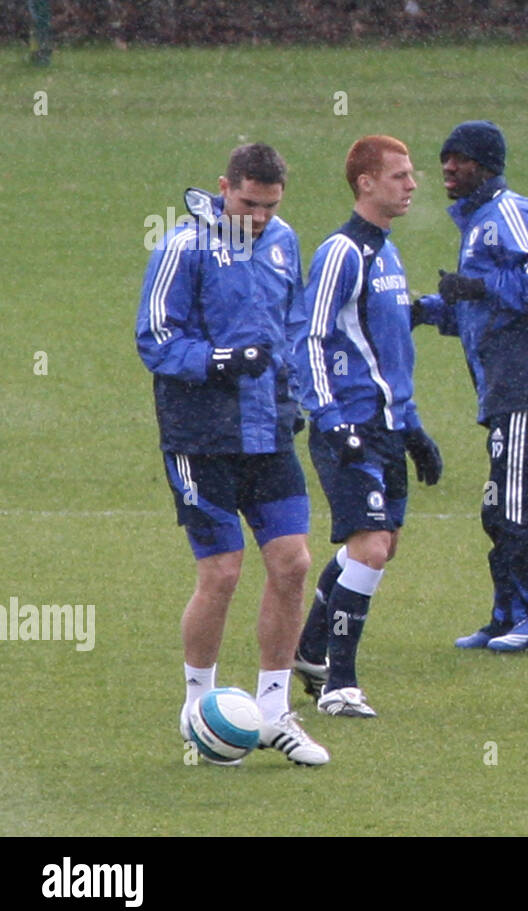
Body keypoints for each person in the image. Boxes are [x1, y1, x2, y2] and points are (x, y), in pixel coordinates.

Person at [136, 142, 329, 766]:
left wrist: (294, 391)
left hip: (268, 431)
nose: (260, 217)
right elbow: (156, 338)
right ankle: (199, 706)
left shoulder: (284, 241)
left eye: (270, 206)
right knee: (222, 573)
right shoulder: (181, 247)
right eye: (249, 203)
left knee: (294, 564)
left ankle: (273, 712)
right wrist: (219, 361)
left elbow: (292, 325)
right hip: (201, 436)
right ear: (224, 187)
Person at [412, 120, 528, 652]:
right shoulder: (477, 222)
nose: (447, 167)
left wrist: (479, 285)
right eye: (444, 158)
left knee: (510, 505)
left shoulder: (509, 212)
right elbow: (479, 310)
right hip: (505, 389)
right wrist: (422, 310)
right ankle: (508, 613)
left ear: (485, 165)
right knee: (496, 506)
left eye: (458, 158)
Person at [292, 135, 443, 717]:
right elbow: (309, 336)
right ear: (366, 184)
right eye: (400, 175)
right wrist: (329, 420)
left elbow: (391, 351)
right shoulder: (342, 252)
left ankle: (308, 650)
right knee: (371, 547)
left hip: (387, 426)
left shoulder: (389, 252)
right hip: (348, 423)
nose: (412, 184)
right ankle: (338, 683)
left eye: (411, 175)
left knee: (381, 547)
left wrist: (413, 427)